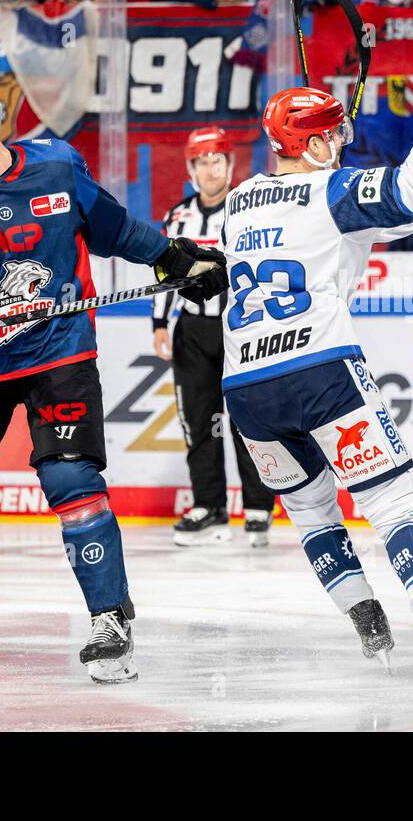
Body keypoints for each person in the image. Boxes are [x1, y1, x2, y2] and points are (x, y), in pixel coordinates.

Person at [0, 78, 225, 684]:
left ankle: (109, 618)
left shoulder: (58, 164)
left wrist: (175, 259)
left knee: (71, 479)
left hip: (59, 350)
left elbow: (115, 228)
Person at [216, 47, 413, 684]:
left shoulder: (238, 202)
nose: (342, 144)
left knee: (314, 512)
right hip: (320, 371)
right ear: (313, 142)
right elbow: (411, 194)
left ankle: (368, 624)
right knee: (397, 504)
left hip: (245, 387)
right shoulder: (332, 188)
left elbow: (398, 214)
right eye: (334, 135)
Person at [154, 127, 275, 546]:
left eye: (217, 159)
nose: (210, 168)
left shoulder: (247, 210)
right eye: (202, 161)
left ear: (231, 164)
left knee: (247, 419)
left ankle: (258, 505)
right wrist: (158, 325)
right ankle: (209, 504)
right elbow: (164, 277)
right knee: (199, 422)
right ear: (190, 168)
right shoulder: (177, 216)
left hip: (240, 329)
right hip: (191, 330)